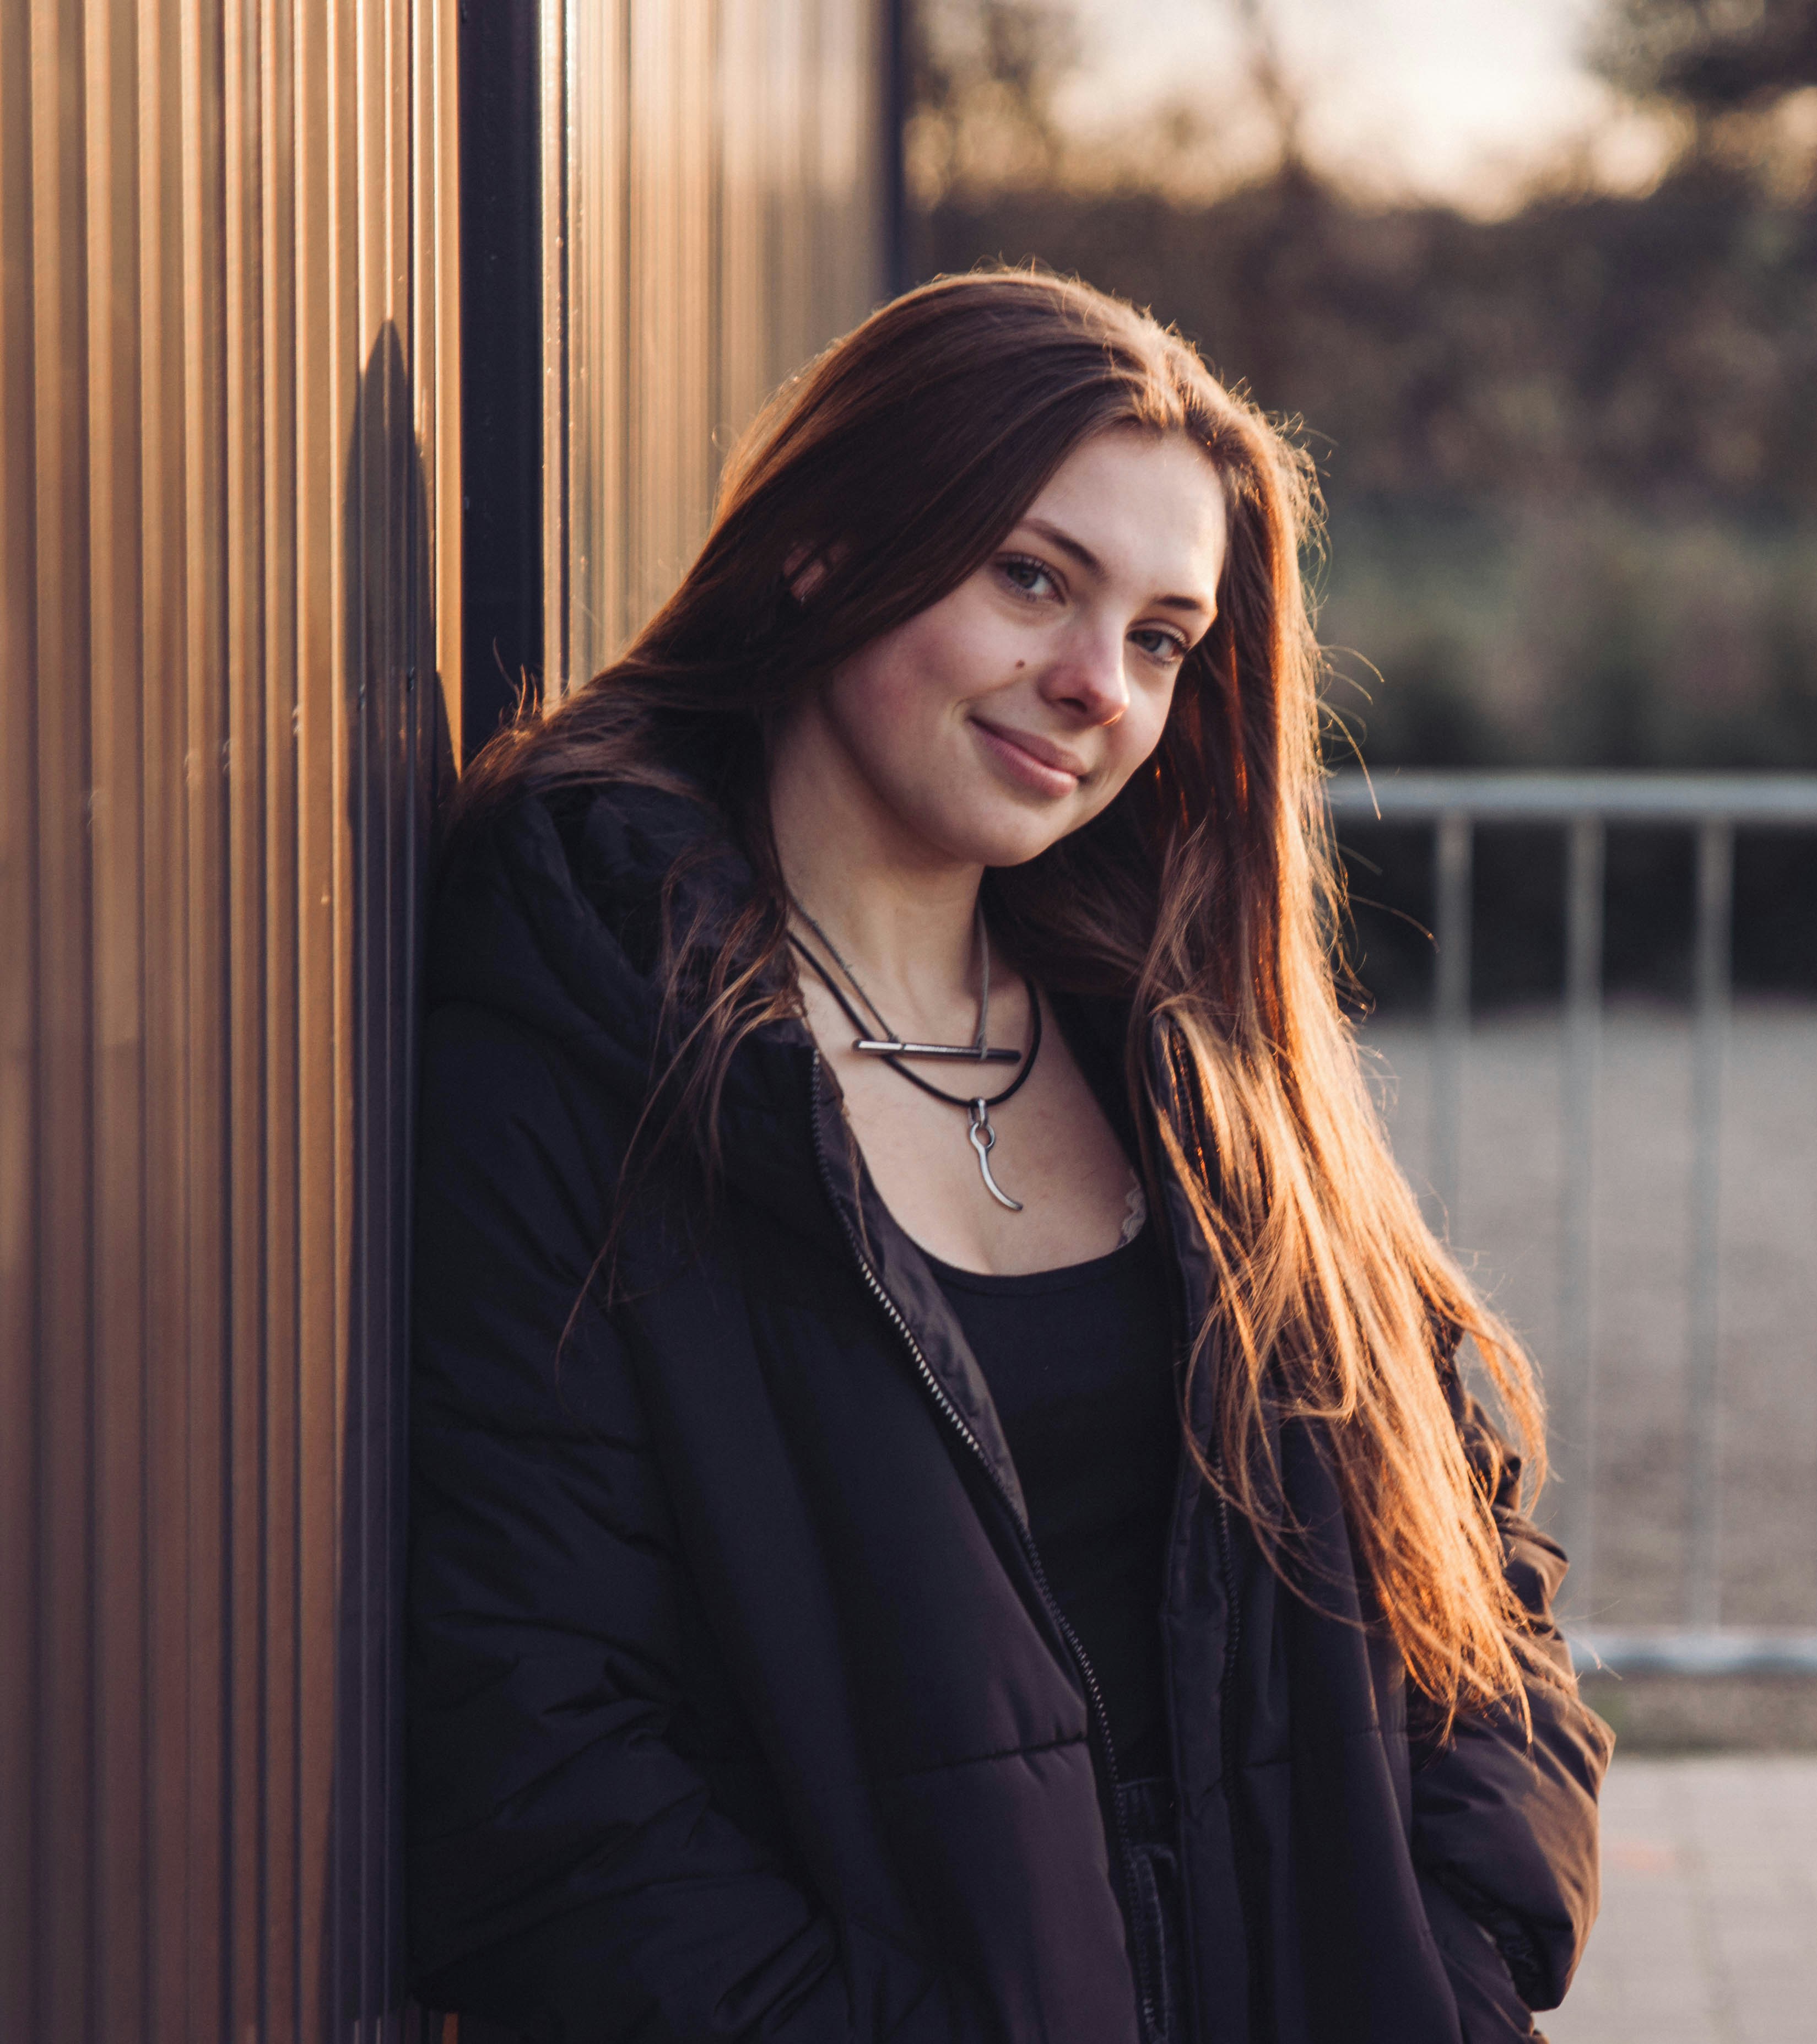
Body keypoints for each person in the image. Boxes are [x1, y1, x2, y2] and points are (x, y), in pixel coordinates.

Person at [406, 268, 1609, 2042]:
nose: (1092, 687)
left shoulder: (1198, 1064)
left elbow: (1476, 1564)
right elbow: (543, 1757)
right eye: (1034, 579)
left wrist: (1460, 1955)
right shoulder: (590, 1056)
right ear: (822, 546)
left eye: (1159, 638)